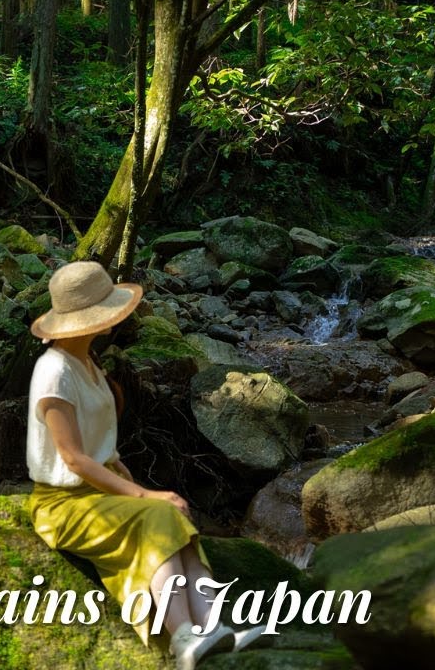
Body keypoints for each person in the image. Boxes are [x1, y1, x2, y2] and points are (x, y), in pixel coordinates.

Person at [24, 261, 265, 670]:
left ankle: (211, 628)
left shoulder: (86, 362)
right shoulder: (54, 371)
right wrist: (143, 494)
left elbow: (104, 452)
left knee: (175, 521)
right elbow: (74, 458)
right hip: (63, 505)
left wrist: (134, 485)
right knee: (156, 515)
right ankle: (183, 638)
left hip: (98, 490)